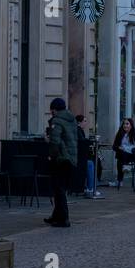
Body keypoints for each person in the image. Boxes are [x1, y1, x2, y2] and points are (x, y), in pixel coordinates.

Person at [45, 97, 78, 228]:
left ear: (54, 109)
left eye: (51, 110)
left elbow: (55, 142)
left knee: (58, 189)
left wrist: (51, 155)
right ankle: (56, 216)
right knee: (60, 188)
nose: (51, 112)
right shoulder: (72, 120)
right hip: (70, 158)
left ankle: (63, 219)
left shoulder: (57, 121)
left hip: (60, 158)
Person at [112, 117, 135, 187]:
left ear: (131, 125)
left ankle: (119, 180)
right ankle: (125, 167)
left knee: (121, 158)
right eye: (124, 124)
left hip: (133, 154)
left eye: (127, 124)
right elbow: (114, 146)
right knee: (121, 155)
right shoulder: (120, 133)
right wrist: (119, 148)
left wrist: (132, 150)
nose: (125, 125)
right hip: (122, 153)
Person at [75, 114, 102, 198]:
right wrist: (91, 142)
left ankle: (92, 186)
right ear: (79, 122)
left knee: (96, 161)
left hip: (81, 156)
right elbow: (81, 142)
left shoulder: (80, 130)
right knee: (90, 164)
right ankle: (91, 187)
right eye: (85, 121)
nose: (86, 123)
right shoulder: (77, 130)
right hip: (79, 157)